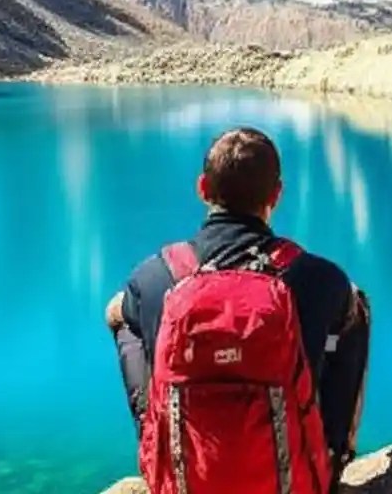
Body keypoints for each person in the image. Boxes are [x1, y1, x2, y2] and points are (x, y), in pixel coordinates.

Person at [106, 127, 369, 492]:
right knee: (356, 308)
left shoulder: (155, 277)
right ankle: (332, 453)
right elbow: (343, 315)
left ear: (202, 189)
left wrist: (124, 310)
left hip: (182, 485)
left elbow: (120, 313)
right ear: (276, 195)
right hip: (295, 484)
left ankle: (158, 449)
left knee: (123, 318)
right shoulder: (318, 279)